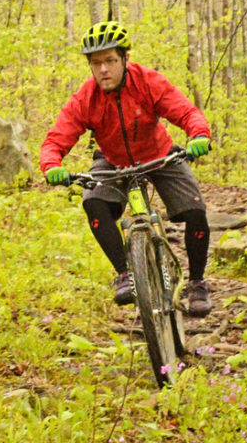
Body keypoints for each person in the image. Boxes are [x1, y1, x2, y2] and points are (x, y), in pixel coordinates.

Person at [39, 20, 215, 317]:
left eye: (110, 60)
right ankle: (124, 273)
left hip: (158, 153)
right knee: (93, 203)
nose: (104, 69)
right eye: (97, 63)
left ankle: (197, 283)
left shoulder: (147, 81)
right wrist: (51, 164)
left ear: (124, 60)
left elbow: (185, 111)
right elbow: (57, 138)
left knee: (195, 210)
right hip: (113, 160)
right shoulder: (86, 97)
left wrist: (198, 135)